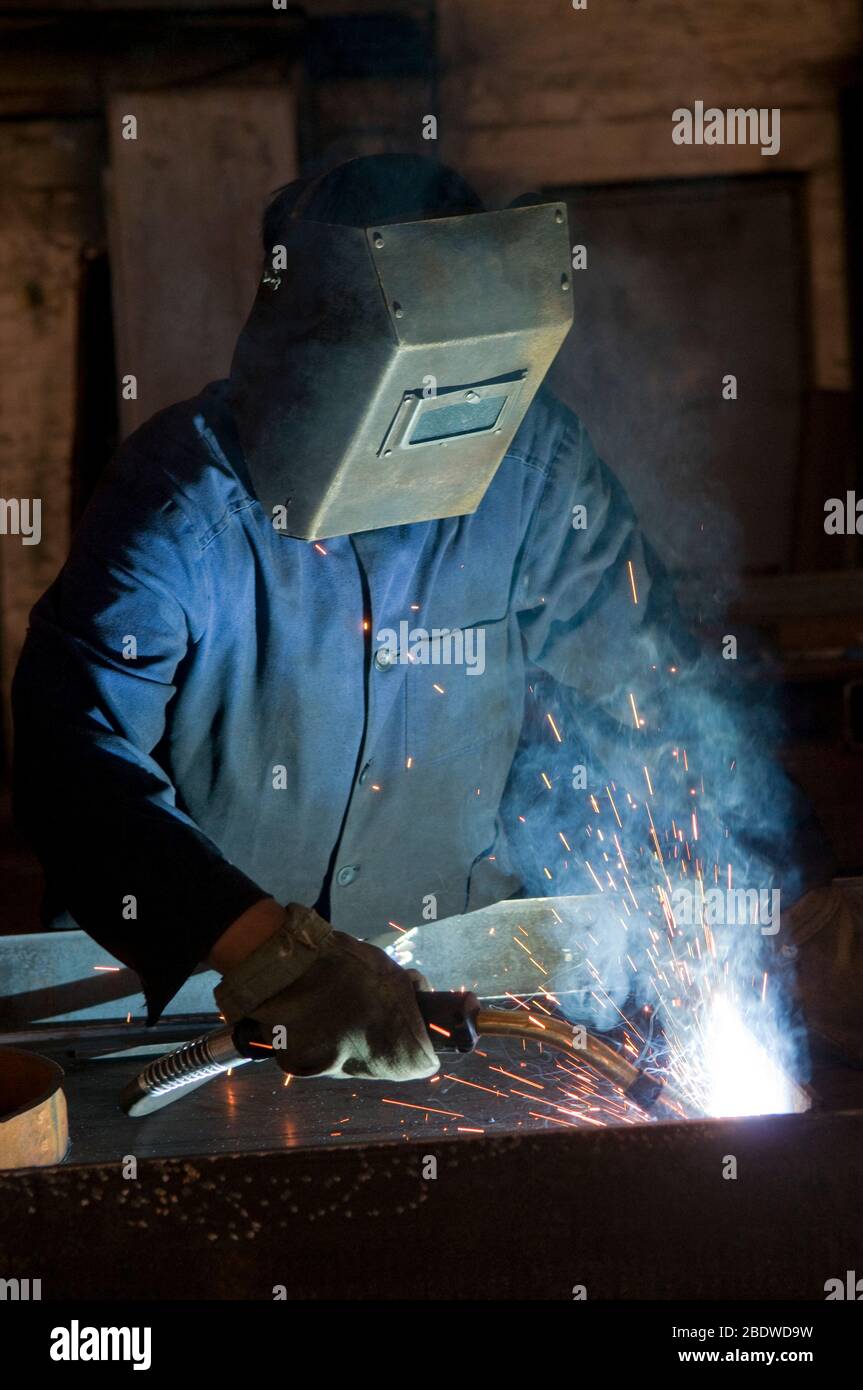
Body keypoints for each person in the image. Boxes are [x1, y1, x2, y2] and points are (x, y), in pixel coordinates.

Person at [12, 154, 859, 1081]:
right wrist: (267, 951)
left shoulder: (534, 469)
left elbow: (650, 687)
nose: (453, 430)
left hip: (459, 1003)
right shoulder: (185, 502)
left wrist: (786, 891)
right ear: (315, 349)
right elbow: (74, 766)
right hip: (184, 1012)